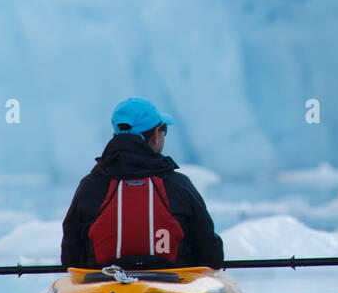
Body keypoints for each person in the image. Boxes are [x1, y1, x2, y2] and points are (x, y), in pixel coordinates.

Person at [61, 98, 225, 269]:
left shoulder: (90, 186)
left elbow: (70, 259)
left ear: (115, 135)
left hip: (104, 287)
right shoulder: (179, 185)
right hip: (172, 285)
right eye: (163, 129)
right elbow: (211, 256)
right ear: (155, 134)